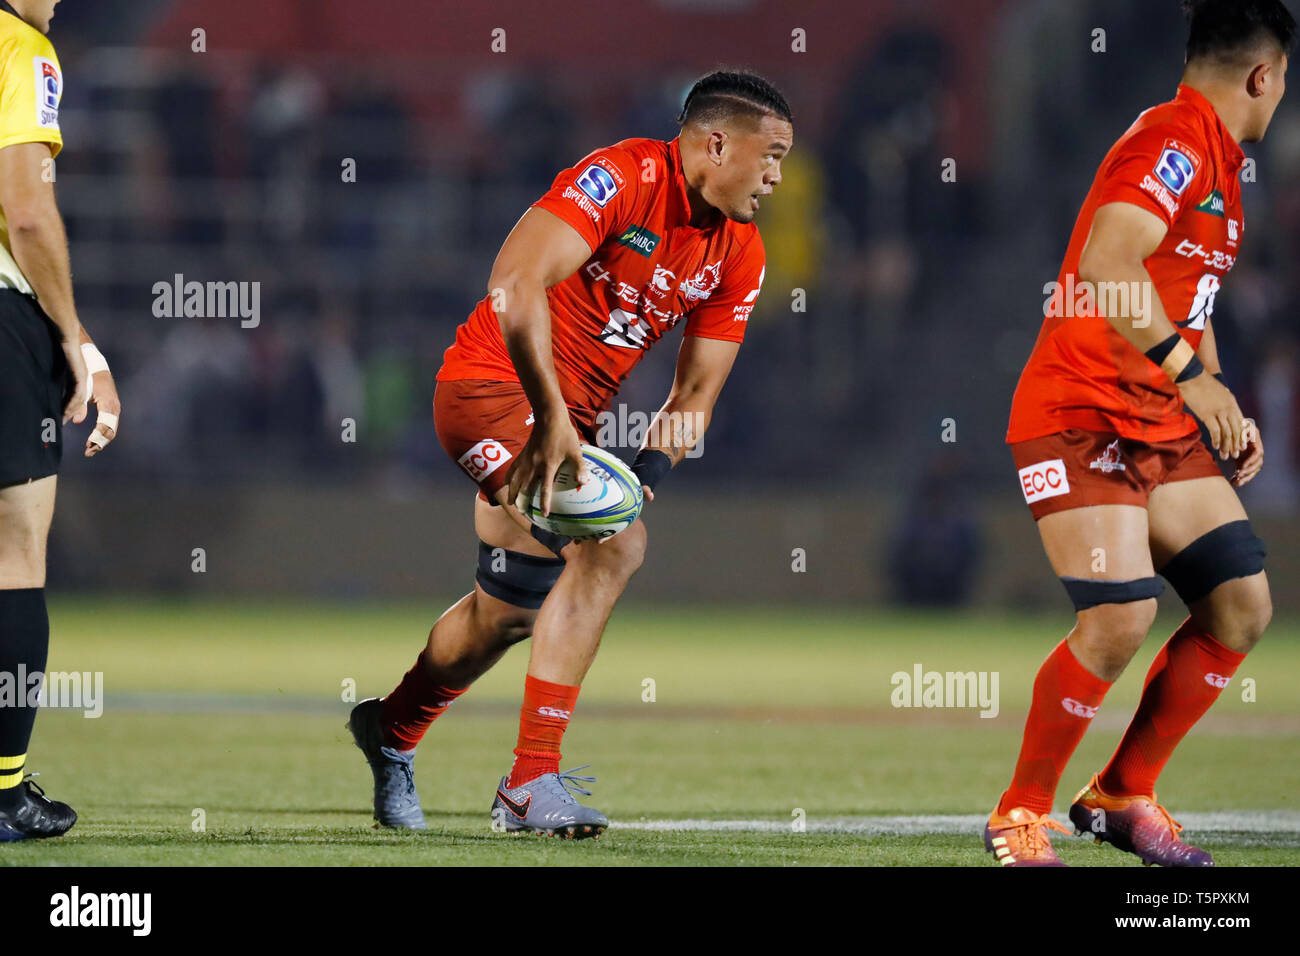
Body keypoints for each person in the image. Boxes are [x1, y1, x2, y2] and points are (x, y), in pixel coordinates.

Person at [348, 70, 791, 838]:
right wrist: (554, 421)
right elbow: (513, 284)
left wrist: (645, 475)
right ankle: (528, 784)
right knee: (617, 549)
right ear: (717, 143)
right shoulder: (620, 175)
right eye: (774, 154)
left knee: (508, 611)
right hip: (487, 390)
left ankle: (392, 729)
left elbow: (691, 402)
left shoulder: (740, 253)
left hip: (565, 430)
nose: (780, 177)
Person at [988, 0, 1293, 867]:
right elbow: (1107, 264)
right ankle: (1020, 814)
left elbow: (1183, 293)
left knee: (1240, 606)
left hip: (1157, 417)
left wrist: (1217, 392)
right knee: (1121, 615)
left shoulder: (1217, 158)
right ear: (1264, 75)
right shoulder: (1173, 140)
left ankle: (1122, 794)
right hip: (1081, 410)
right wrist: (1193, 379)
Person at [0, 0, 121, 841]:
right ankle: (3, 789)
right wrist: (76, 338)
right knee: (14, 544)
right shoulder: (21, 48)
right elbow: (29, 209)